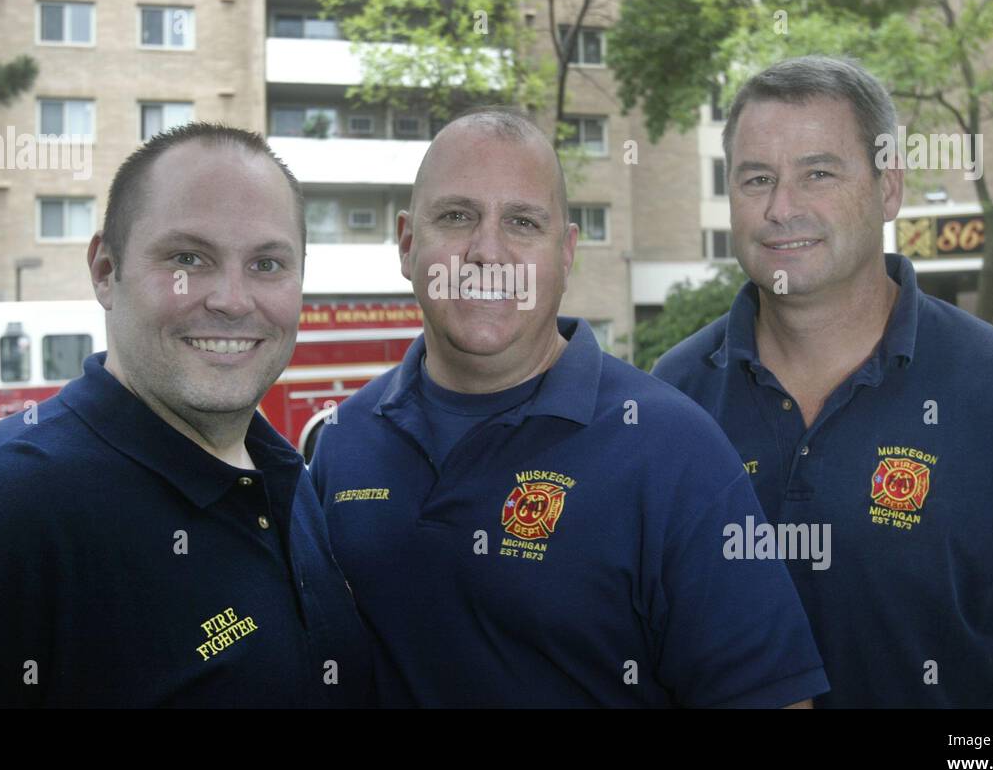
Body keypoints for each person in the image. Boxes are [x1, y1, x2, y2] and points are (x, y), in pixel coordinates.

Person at [0, 123, 370, 707]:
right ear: (105, 271)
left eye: (267, 264)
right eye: (188, 258)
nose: (232, 301)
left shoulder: (285, 481)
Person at [653, 55, 993, 708]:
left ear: (889, 189)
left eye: (819, 173)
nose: (781, 207)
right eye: (756, 178)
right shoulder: (672, 399)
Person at [309, 107, 828, 707]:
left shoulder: (673, 447)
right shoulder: (345, 441)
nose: (487, 253)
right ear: (407, 244)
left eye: (522, 222)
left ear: (565, 253)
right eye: (456, 216)